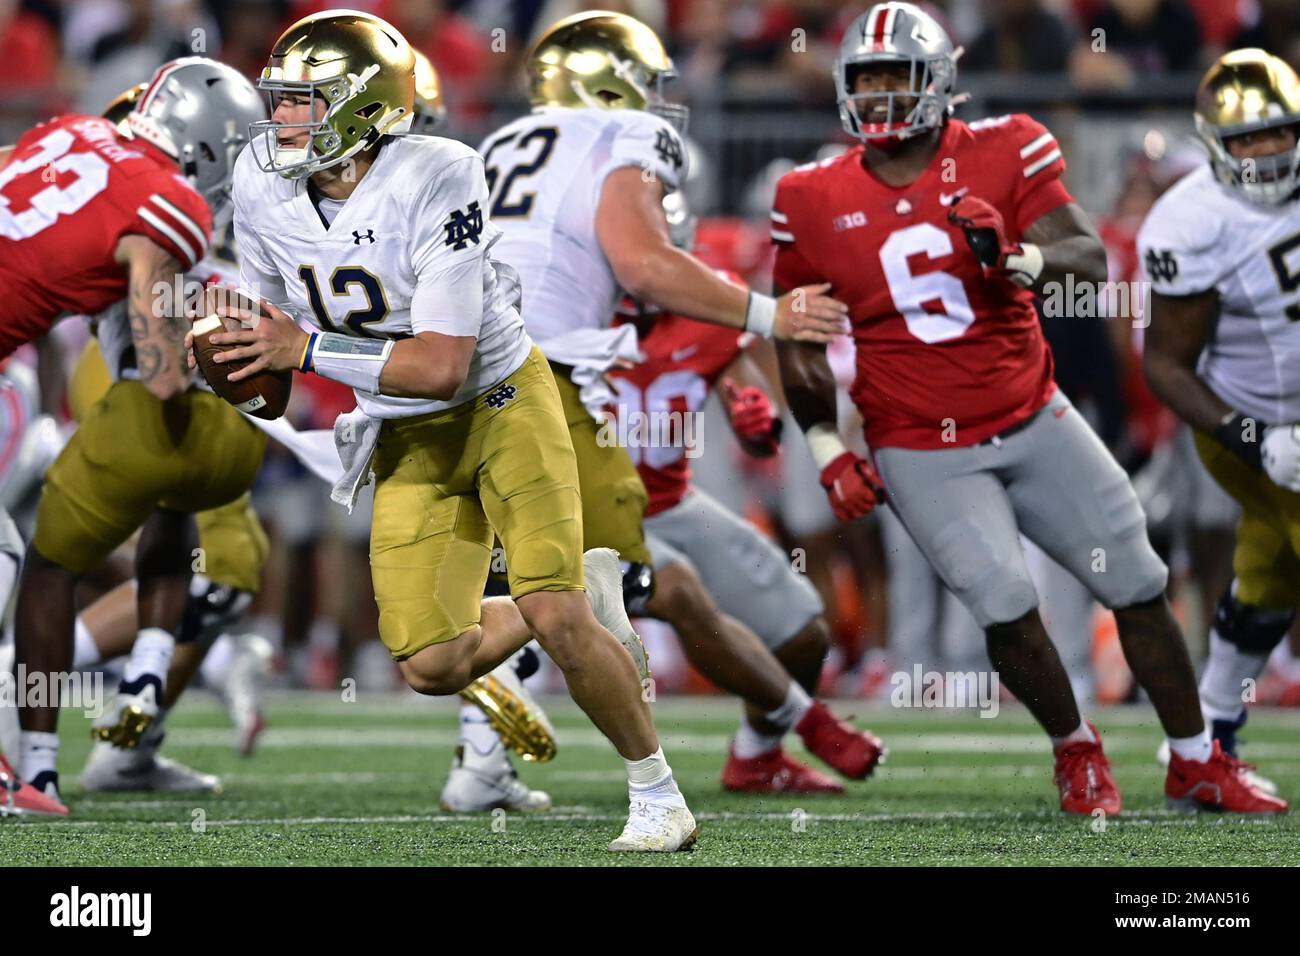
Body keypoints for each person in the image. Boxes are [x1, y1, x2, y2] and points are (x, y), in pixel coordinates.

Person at [195, 9, 696, 851]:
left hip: (502, 402)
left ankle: (658, 796)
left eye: (300, 102)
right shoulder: (259, 177)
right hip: (407, 431)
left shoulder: (441, 172)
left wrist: (303, 348)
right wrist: (238, 348)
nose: (278, 119)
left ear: (359, 107)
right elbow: (270, 311)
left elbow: (443, 366)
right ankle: (575, 599)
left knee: (555, 609)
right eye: (278, 100)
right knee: (429, 664)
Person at [774, 2, 1285, 815]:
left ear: (938, 83)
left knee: (1141, 583)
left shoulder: (1006, 145)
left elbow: (1085, 260)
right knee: (1006, 602)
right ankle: (1076, 748)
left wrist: (1022, 259)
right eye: (864, 83)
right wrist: (826, 442)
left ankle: (1196, 757)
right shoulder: (807, 195)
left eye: (894, 80)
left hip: (1032, 413)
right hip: (918, 443)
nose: (878, 100)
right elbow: (795, 333)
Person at [1141, 48, 1300, 795]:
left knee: (1269, 573)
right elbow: (1167, 366)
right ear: (1213, 144)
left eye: (1279, 134)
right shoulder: (1191, 221)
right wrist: (1257, 440)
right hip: (1246, 423)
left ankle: (1207, 739)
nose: (1265, 153)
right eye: (1246, 140)